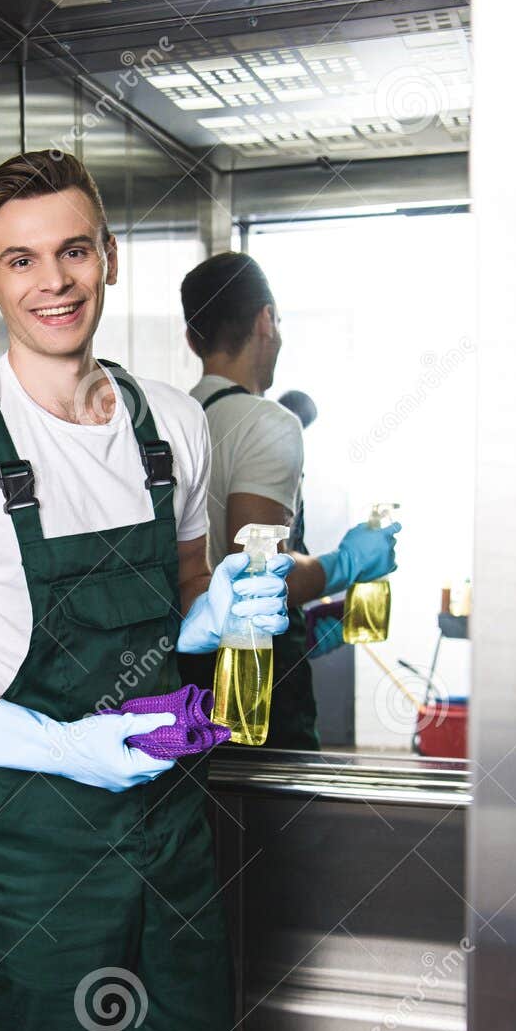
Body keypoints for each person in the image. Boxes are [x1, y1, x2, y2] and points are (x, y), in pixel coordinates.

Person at [0, 151, 290, 1031]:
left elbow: (179, 600)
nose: (53, 282)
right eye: (20, 260)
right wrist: (50, 743)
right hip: (34, 847)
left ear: (110, 257)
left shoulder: (172, 424)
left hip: (173, 825)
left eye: (74, 252)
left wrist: (216, 614)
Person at [180, 253, 399, 749]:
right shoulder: (269, 422)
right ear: (266, 321)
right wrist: (345, 564)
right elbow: (258, 579)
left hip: (184, 689)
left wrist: (313, 619)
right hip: (257, 696)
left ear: (193, 338)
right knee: (277, 824)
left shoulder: (171, 422)